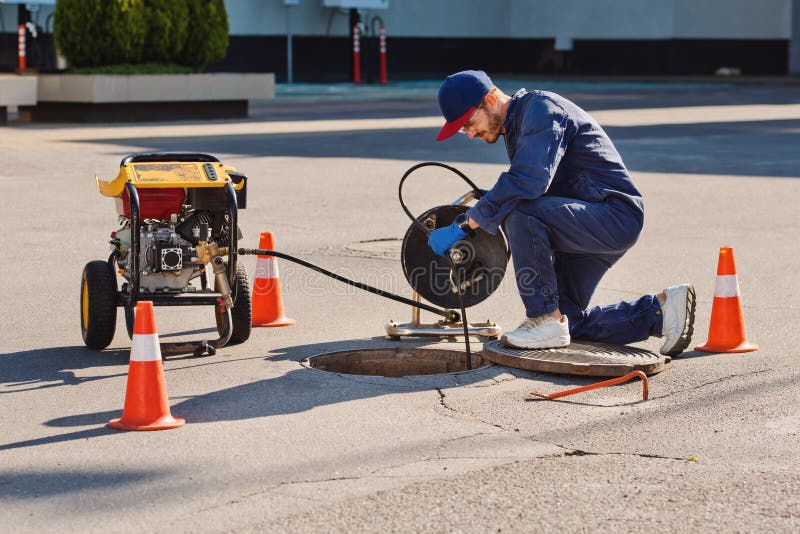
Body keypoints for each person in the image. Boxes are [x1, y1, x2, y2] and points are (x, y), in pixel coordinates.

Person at [427, 70, 695, 355]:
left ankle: (544, 319)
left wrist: (464, 224)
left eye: (469, 123)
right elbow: (532, 184)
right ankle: (662, 312)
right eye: (463, 130)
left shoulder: (541, 110)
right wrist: (490, 203)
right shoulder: (518, 123)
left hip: (613, 216)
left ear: (491, 100)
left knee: (520, 213)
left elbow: (529, 179)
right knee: (569, 323)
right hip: (585, 220)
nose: (469, 134)